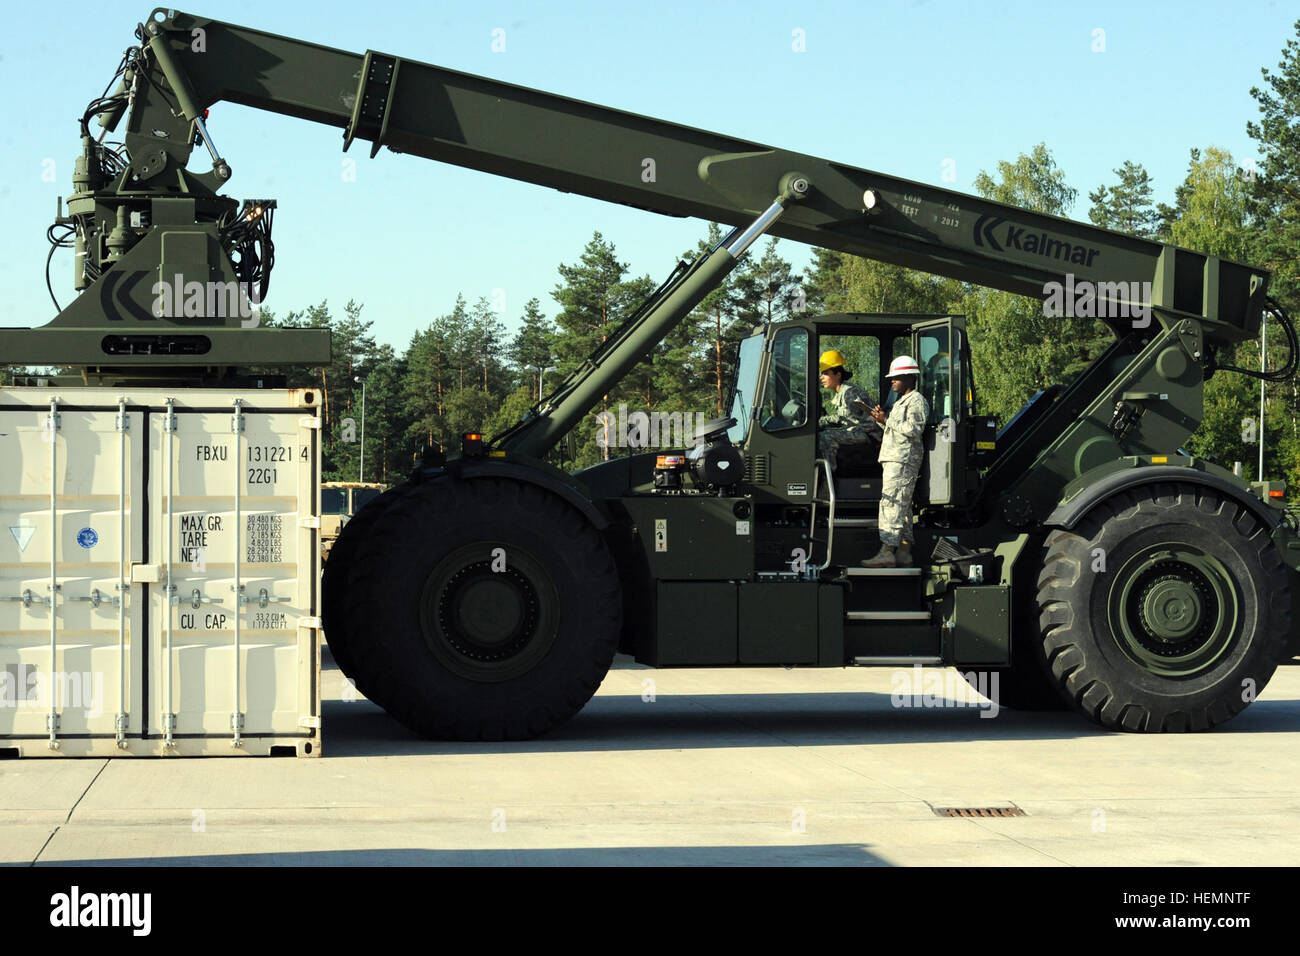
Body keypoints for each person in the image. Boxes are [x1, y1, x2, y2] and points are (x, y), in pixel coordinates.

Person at [862, 355, 929, 568]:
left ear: (909, 377)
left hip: (903, 460)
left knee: (891, 502)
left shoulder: (917, 401)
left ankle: (887, 552)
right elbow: (899, 430)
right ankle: (904, 552)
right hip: (897, 458)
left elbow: (914, 429)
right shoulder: (903, 401)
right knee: (903, 506)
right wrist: (882, 421)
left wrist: (887, 419)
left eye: (896, 377)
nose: (892, 381)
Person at [816, 349, 881, 472]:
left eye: (825, 373)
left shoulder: (850, 393)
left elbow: (869, 420)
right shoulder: (842, 391)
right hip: (859, 430)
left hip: (869, 434)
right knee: (825, 432)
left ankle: (829, 476)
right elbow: (844, 418)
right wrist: (821, 422)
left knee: (826, 436)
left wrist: (822, 422)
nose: (821, 377)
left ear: (838, 374)